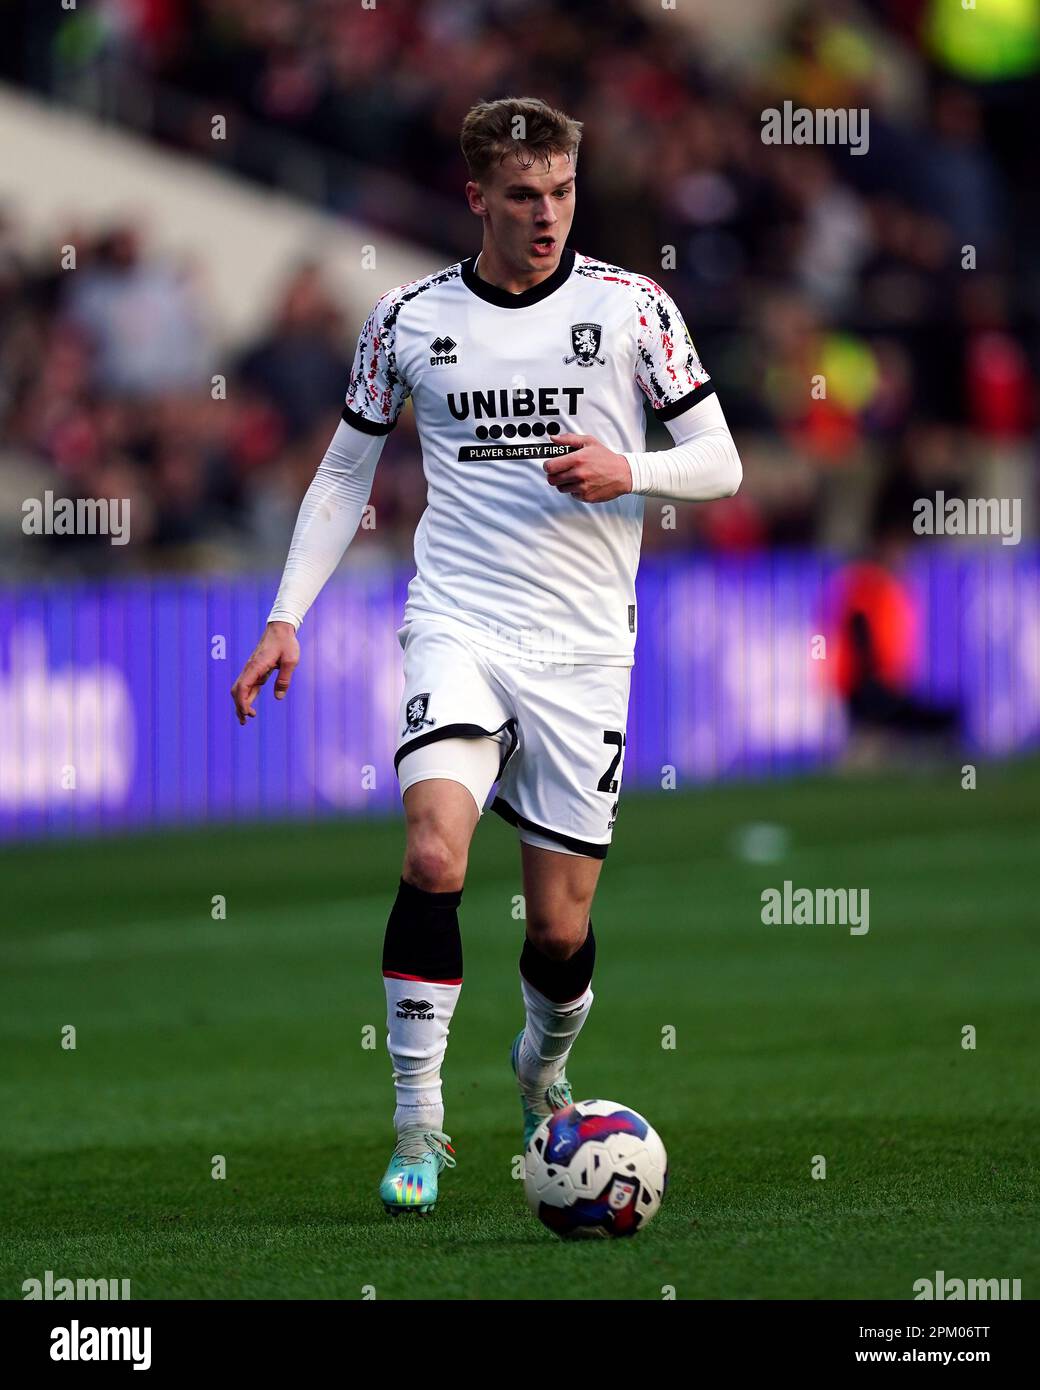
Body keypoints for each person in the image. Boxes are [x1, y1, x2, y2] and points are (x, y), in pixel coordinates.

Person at [231, 97, 742, 1214]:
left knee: (558, 928)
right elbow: (340, 476)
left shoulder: (629, 309)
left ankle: (540, 1074)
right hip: (458, 622)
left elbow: (720, 461)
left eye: (561, 190)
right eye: (523, 194)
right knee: (432, 857)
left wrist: (632, 470)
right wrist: (285, 614)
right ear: (476, 197)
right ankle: (418, 1125)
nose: (547, 213)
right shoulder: (407, 320)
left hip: (582, 651)